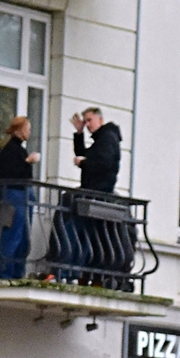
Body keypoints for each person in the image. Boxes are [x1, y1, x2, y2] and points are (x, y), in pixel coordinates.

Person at [67, 106, 131, 287]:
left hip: (99, 194)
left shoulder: (107, 138)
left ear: (100, 120)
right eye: (85, 121)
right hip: (94, 193)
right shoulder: (102, 139)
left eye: (89, 121)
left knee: (89, 234)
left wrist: (84, 163)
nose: (87, 125)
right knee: (88, 235)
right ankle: (85, 274)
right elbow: (85, 155)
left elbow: (102, 163)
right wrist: (78, 134)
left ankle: (85, 274)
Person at [0, 114, 37, 280]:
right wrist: (28, 162)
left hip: (20, 194)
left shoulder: (18, 149)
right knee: (13, 234)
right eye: (28, 129)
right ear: (20, 130)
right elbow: (12, 173)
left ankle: (15, 271)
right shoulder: (10, 150)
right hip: (14, 195)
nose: (29, 132)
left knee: (21, 236)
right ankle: (5, 272)